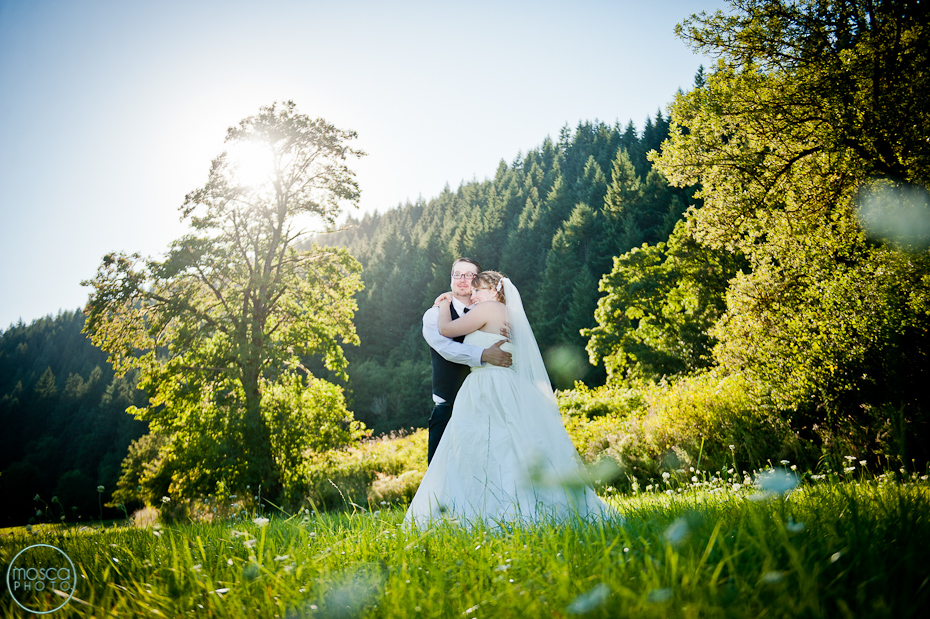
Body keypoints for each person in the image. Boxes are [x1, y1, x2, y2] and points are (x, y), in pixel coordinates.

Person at [406, 271, 612, 526]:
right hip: (509, 385)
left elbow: (446, 329)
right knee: (511, 443)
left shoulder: (489, 308)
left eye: (478, 290)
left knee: (483, 446)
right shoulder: (511, 315)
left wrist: (445, 302)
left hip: (488, 385)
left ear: (494, 291)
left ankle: (486, 510)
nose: (473, 296)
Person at [422, 258, 512, 464]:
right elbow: (447, 349)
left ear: (478, 281)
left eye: (470, 275)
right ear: (451, 279)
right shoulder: (434, 314)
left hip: (490, 404)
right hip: (450, 407)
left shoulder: (493, 311)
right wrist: (483, 354)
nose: (463, 279)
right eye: (457, 274)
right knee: (440, 475)